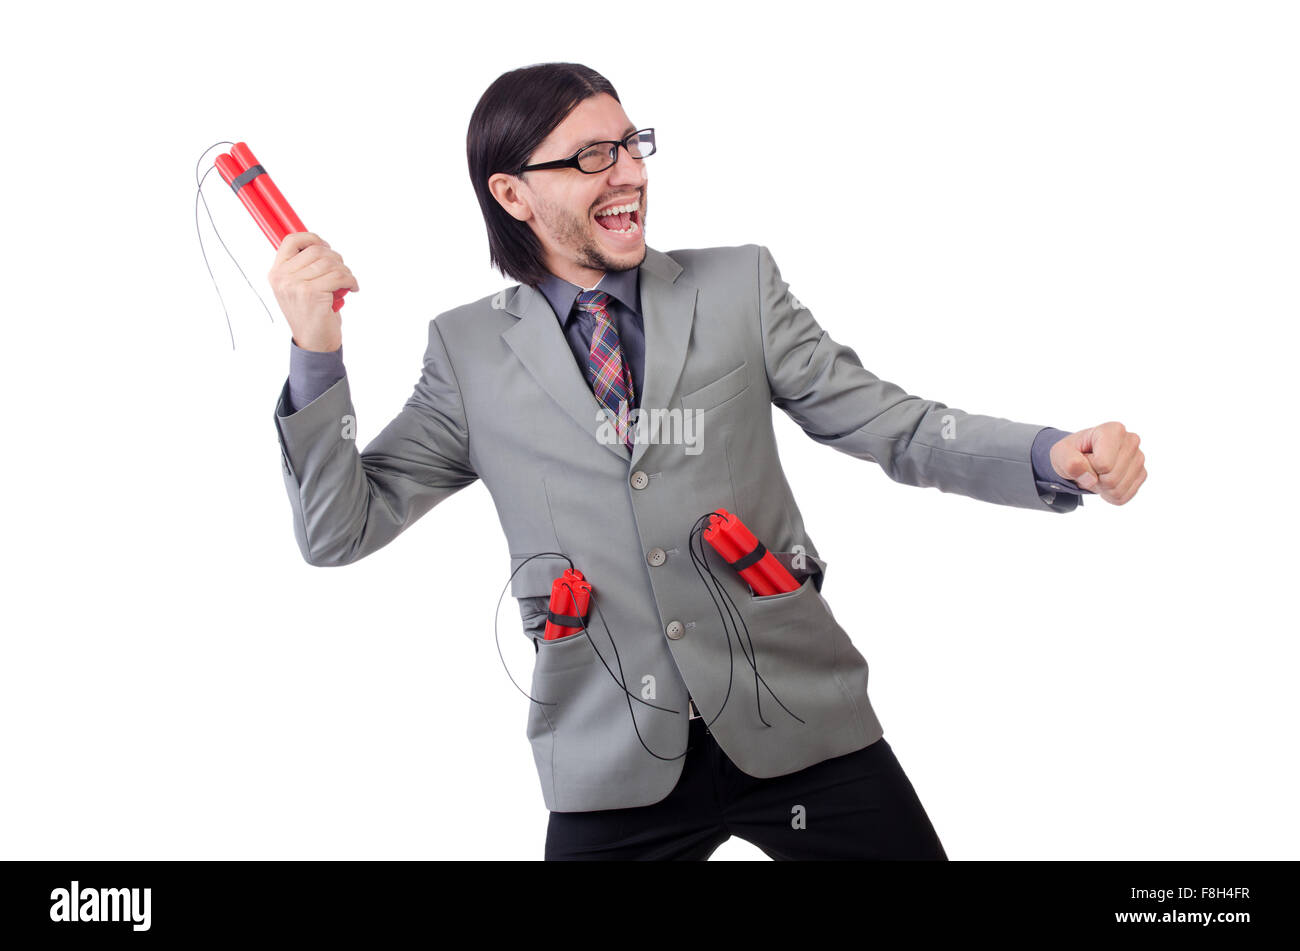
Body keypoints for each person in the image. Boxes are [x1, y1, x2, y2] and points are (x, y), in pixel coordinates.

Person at [268, 62, 1147, 860]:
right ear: (512, 192)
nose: (629, 173)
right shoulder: (466, 354)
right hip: (610, 755)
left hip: (801, 724)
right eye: (590, 157)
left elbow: (895, 425)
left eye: (630, 144)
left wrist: (1050, 455)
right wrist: (317, 348)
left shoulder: (738, 289)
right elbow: (340, 527)